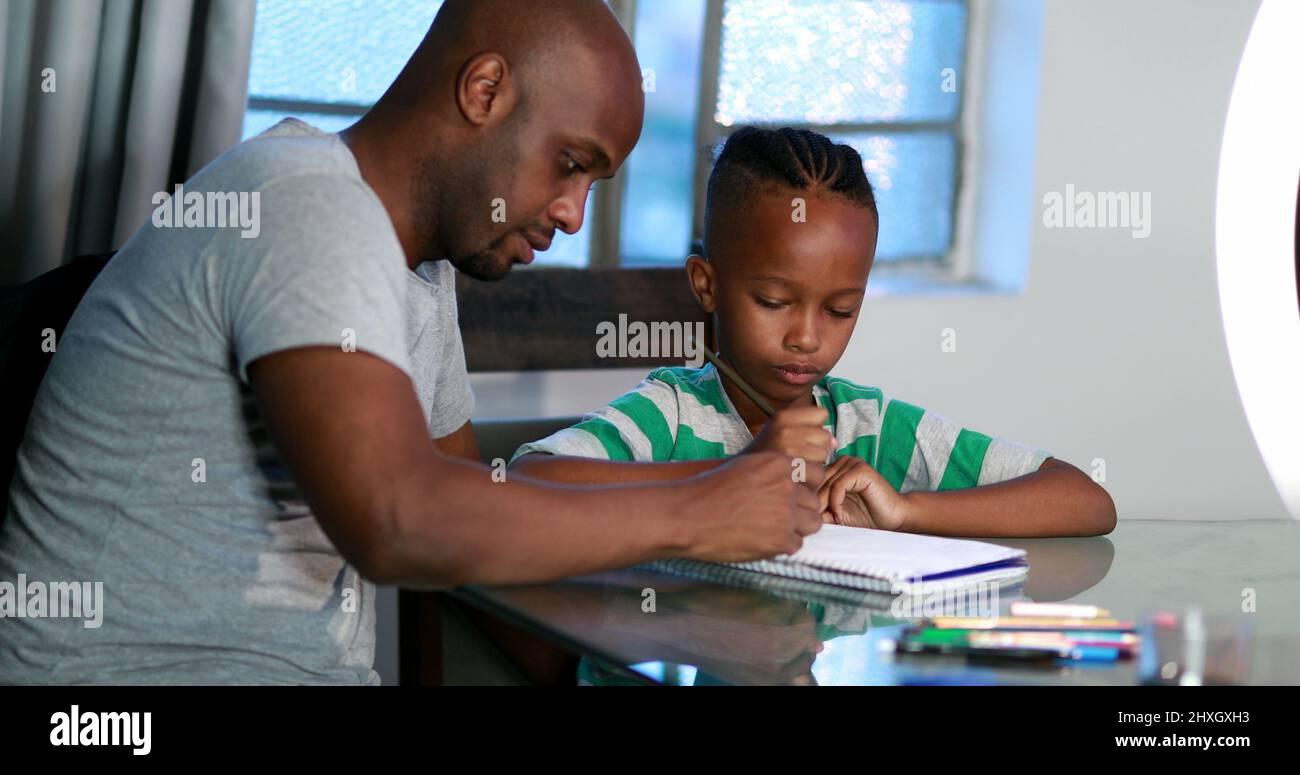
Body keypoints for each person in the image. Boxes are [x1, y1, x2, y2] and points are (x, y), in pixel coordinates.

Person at [0, 0, 823, 686]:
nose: (574, 213)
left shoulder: (420, 273)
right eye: (570, 163)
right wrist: (696, 512)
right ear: (486, 89)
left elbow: (469, 499)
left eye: (593, 185)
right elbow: (402, 519)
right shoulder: (306, 205)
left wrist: (720, 500)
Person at [512, 127, 1117, 538]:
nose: (806, 337)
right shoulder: (672, 414)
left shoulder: (867, 425)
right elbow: (530, 482)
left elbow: (1086, 500)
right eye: (774, 301)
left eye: (840, 310)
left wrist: (906, 510)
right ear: (706, 285)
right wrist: (737, 474)